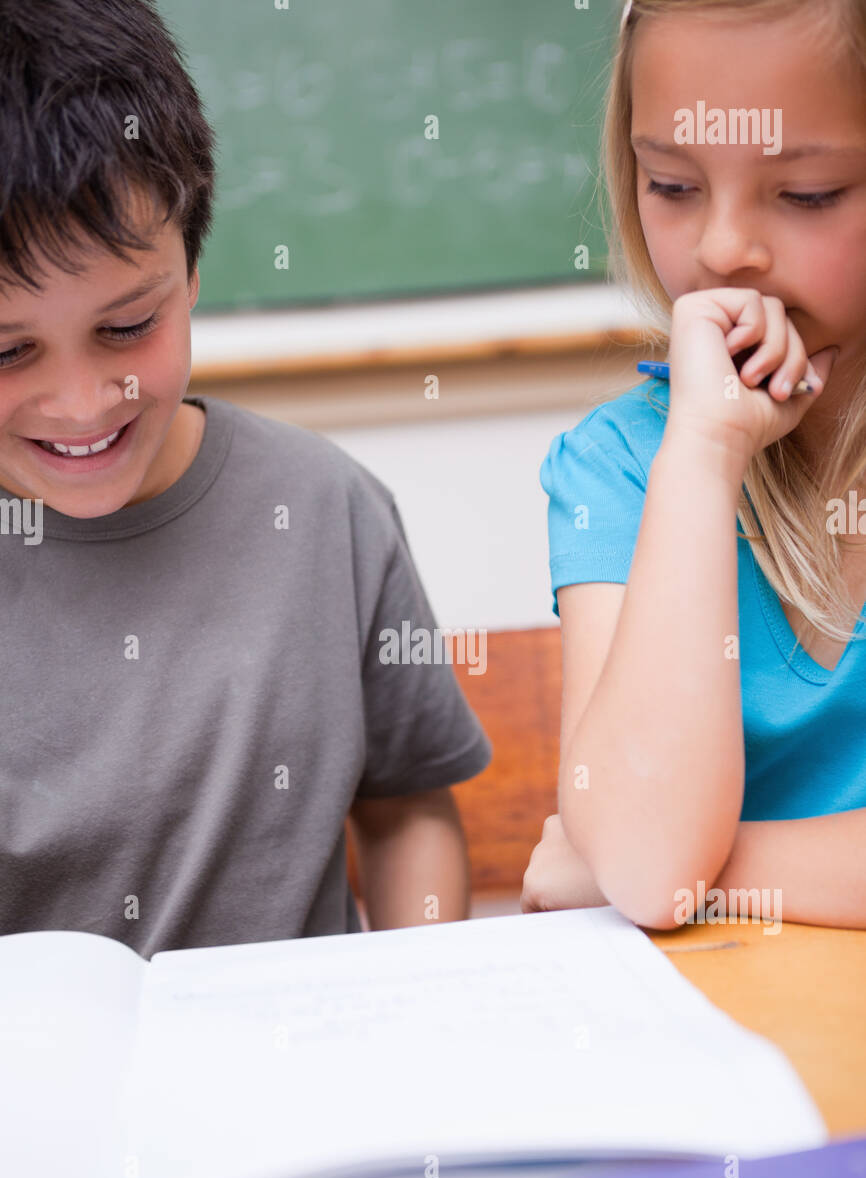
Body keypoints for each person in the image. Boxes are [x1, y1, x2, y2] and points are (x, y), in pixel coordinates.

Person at [0, 0, 491, 957]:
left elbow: (405, 810)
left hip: (304, 1089)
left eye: (128, 327)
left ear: (190, 272)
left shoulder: (326, 510)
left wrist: (422, 996)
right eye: (8, 351)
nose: (81, 401)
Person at [523, 0, 866, 930]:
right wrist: (706, 455)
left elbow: (638, 877)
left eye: (807, 195)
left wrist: (712, 870)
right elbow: (648, 854)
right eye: (672, 184)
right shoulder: (621, 467)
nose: (721, 250)